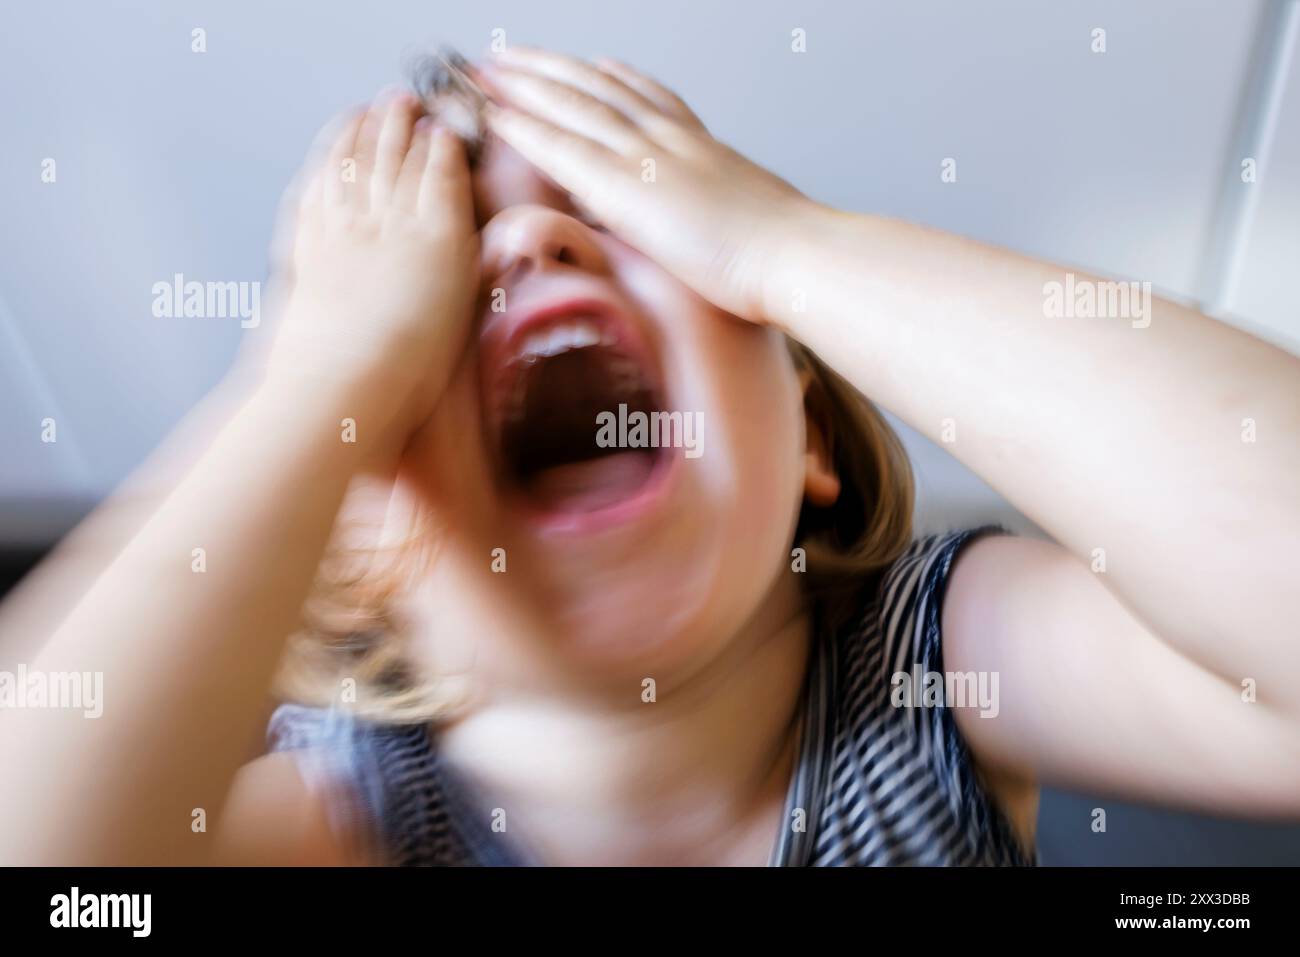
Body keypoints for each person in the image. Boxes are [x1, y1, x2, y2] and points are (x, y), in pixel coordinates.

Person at [2, 47, 1296, 866]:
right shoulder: (355, 818)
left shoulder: (933, 667)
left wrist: (793, 246)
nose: (530, 251)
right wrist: (312, 376)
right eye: (447, 291)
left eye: (624, 220)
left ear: (810, 441)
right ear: (356, 542)